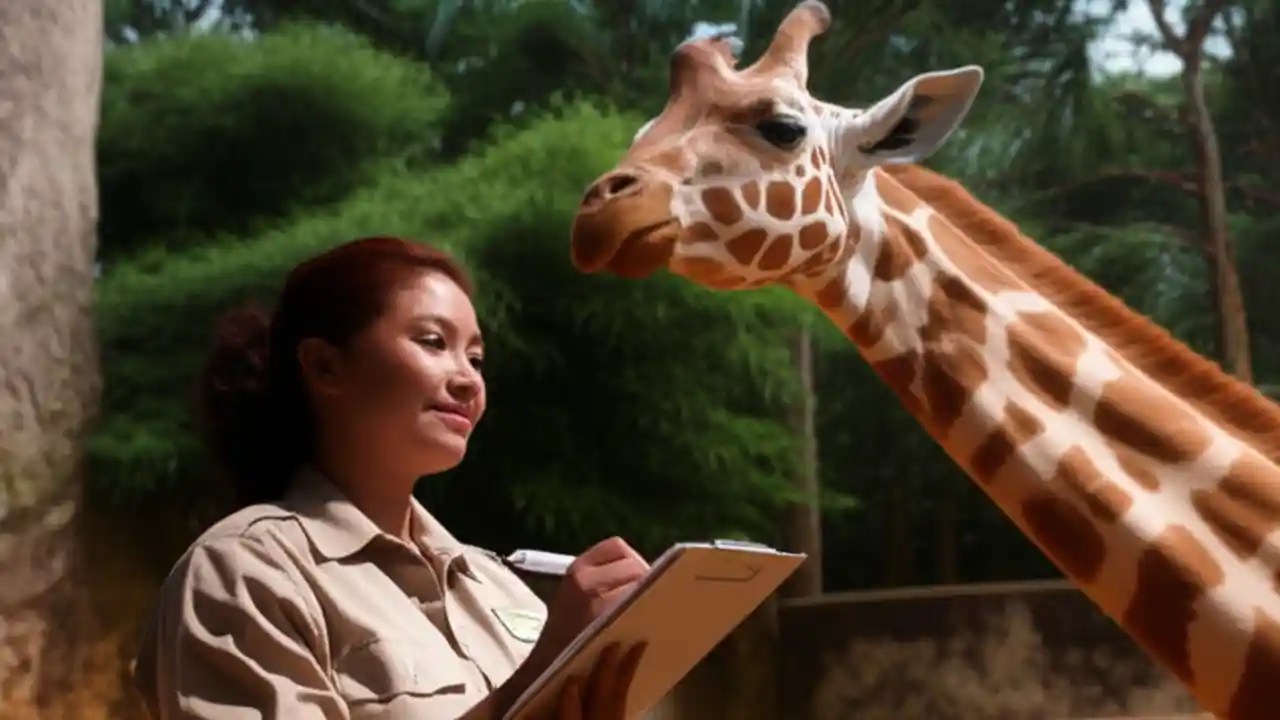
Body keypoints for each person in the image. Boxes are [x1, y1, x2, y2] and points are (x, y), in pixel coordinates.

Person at [132, 236, 651, 719]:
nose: (468, 379)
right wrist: (538, 682)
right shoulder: (243, 573)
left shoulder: (500, 590)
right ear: (325, 367)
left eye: (475, 357)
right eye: (432, 341)